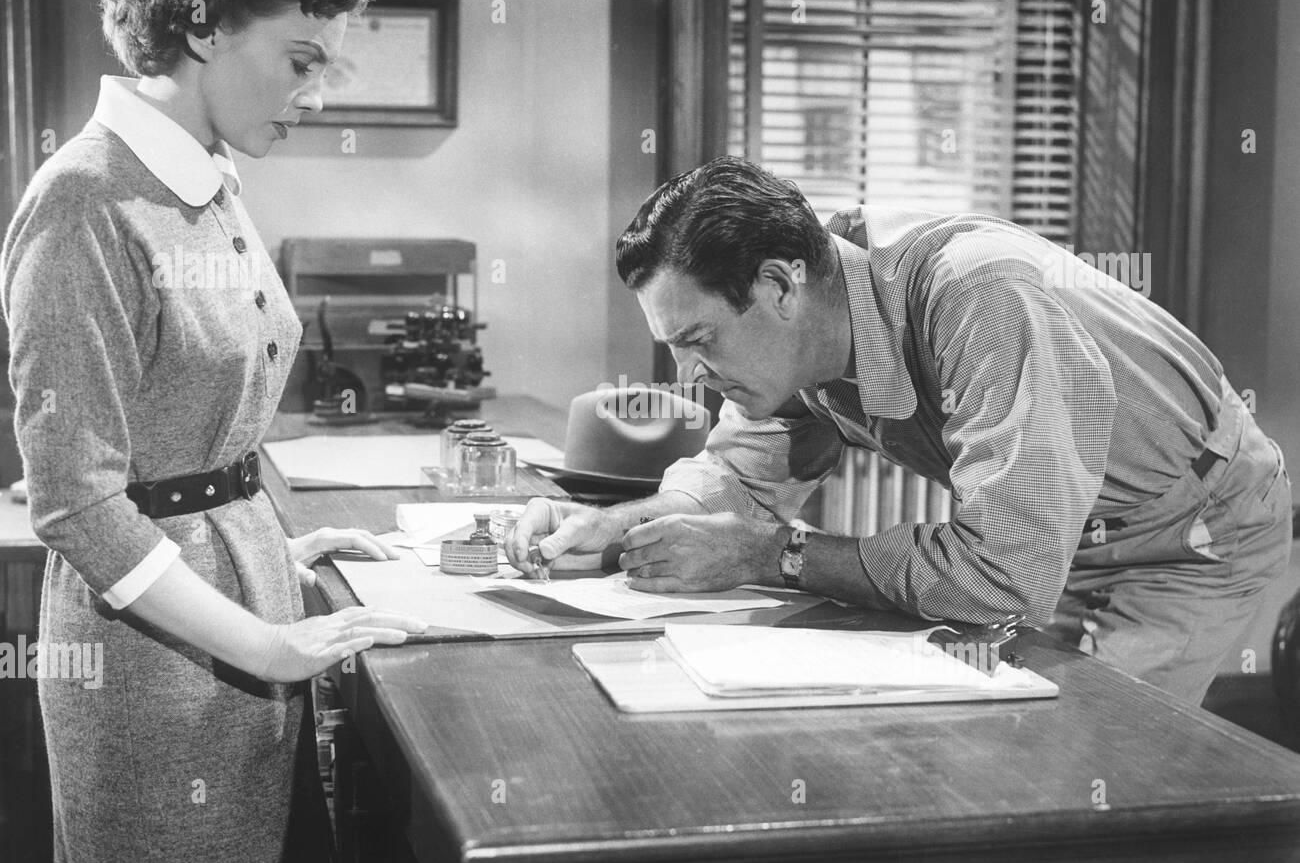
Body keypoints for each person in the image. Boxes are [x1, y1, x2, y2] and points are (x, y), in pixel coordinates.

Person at [507, 156, 1293, 706]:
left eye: (700, 341)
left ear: (780, 284)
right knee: (990, 734)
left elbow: (1002, 576)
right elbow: (739, 483)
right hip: (1056, 532)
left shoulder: (982, 298)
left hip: (1187, 532)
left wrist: (775, 554)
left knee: (1085, 758)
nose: (687, 378)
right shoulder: (806, 324)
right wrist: (613, 526)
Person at [1, 0, 426, 863]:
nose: (315, 97)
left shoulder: (204, 176)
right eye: (302, 60)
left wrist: (274, 546)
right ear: (204, 32)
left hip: (234, 607)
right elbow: (77, 503)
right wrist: (270, 646)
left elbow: (187, 434)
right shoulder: (84, 200)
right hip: (154, 667)